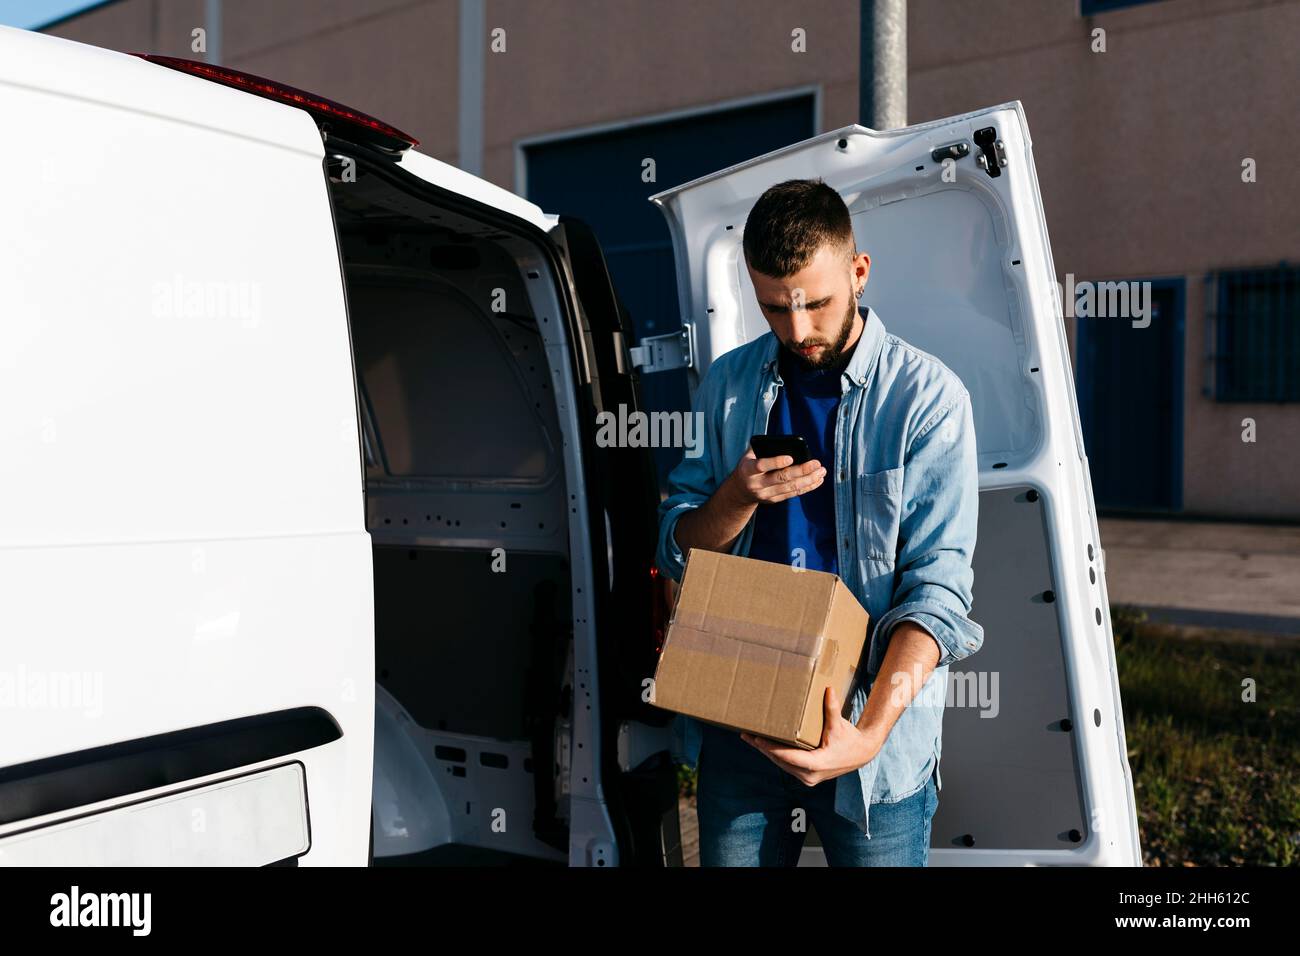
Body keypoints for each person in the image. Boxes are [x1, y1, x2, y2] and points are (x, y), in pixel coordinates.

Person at [655, 178, 984, 866]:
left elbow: (938, 594)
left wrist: (866, 736)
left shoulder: (928, 401)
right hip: (743, 713)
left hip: (875, 737)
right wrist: (735, 498)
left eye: (816, 303)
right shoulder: (727, 385)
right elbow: (678, 545)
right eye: (774, 308)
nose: (797, 331)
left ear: (859, 273)